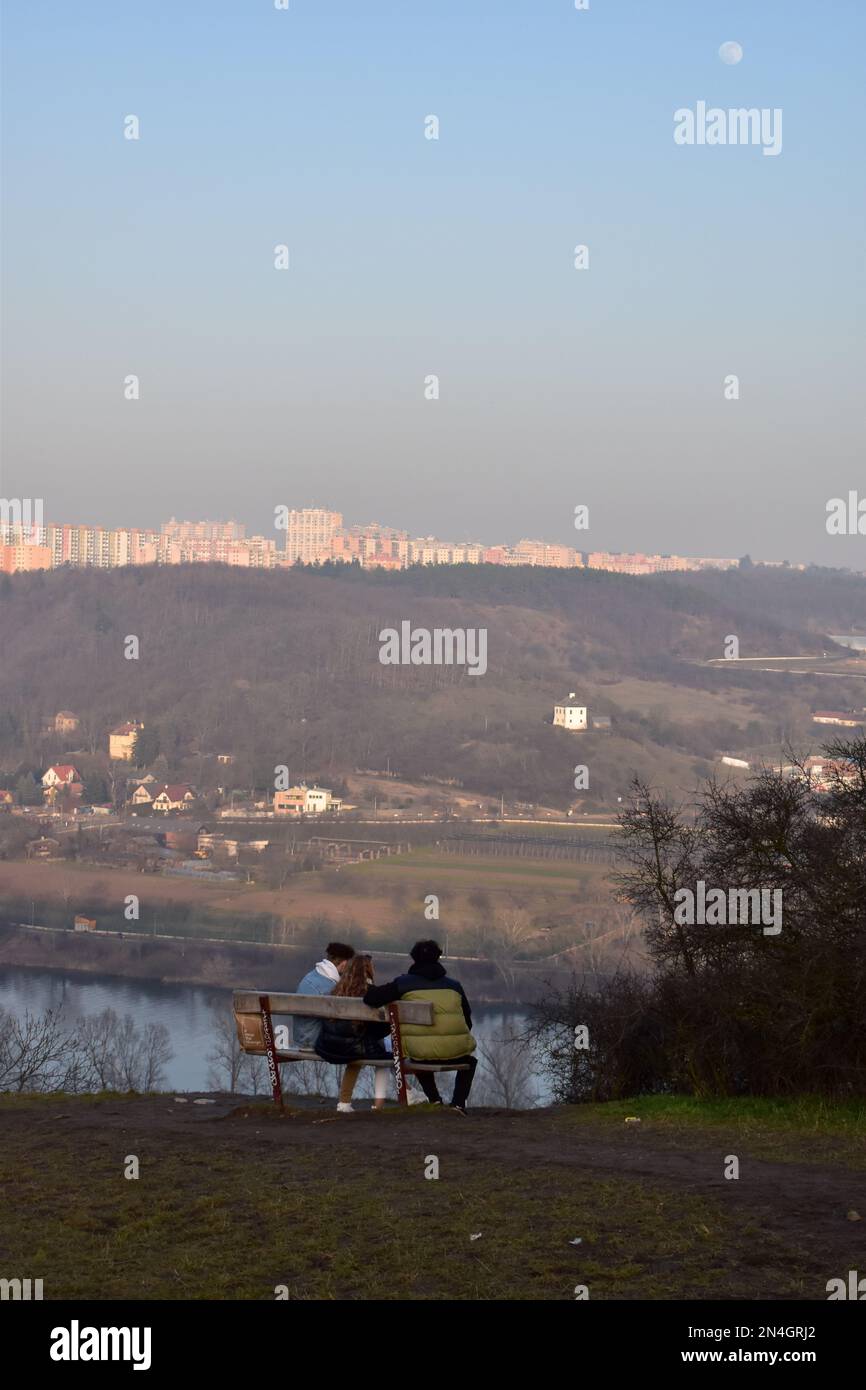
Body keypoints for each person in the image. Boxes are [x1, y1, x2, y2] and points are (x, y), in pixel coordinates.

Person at [363, 939, 478, 1113]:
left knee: (420, 1051)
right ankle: (458, 1104)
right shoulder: (454, 986)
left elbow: (371, 999)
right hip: (456, 1053)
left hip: (419, 1055)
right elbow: (467, 1022)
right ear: (438, 958)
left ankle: (434, 1100)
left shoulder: (403, 984)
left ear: (414, 959)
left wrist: (367, 985)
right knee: (470, 1061)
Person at [314, 953, 391, 1112]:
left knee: (358, 1051)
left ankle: (344, 1102)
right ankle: (379, 1105)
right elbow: (379, 1029)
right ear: (369, 971)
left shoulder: (337, 990)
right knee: (384, 1053)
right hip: (353, 1048)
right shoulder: (370, 992)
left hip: (329, 1045)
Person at [293, 942, 355, 1050]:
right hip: (313, 1042)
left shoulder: (312, 975)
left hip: (301, 1038)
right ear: (344, 963)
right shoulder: (329, 987)